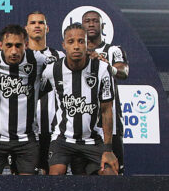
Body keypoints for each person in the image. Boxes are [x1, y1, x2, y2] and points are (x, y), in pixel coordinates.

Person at [41, 24, 118, 176]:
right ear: (64, 45)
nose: (76, 46)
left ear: (87, 44)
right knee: (55, 176)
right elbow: (34, 93)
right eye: (71, 42)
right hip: (62, 139)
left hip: (93, 139)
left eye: (81, 41)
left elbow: (107, 110)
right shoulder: (52, 70)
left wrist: (108, 149)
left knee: (110, 175)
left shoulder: (102, 69)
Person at [0, 25, 47, 175]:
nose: (14, 51)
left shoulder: (38, 60)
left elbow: (64, 66)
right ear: (0, 45)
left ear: (26, 45)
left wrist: (92, 57)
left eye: (18, 45)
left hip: (27, 140)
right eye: (9, 45)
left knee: (29, 186)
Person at [84, 8, 129, 174]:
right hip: (84, 123)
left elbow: (123, 72)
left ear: (102, 26)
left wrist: (107, 67)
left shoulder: (113, 50)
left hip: (111, 123)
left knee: (113, 172)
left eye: (95, 21)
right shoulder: (76, 54)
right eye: (87, 21)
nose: (91, 24)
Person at [26, 11, 62, 173]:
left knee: (51, 175)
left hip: (53, 129)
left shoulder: (60, 56)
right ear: (26, 28)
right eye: (33, 23)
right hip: (25, 130)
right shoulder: (18, 56)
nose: (37, 26)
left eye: (41, 23)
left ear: (47, 28)